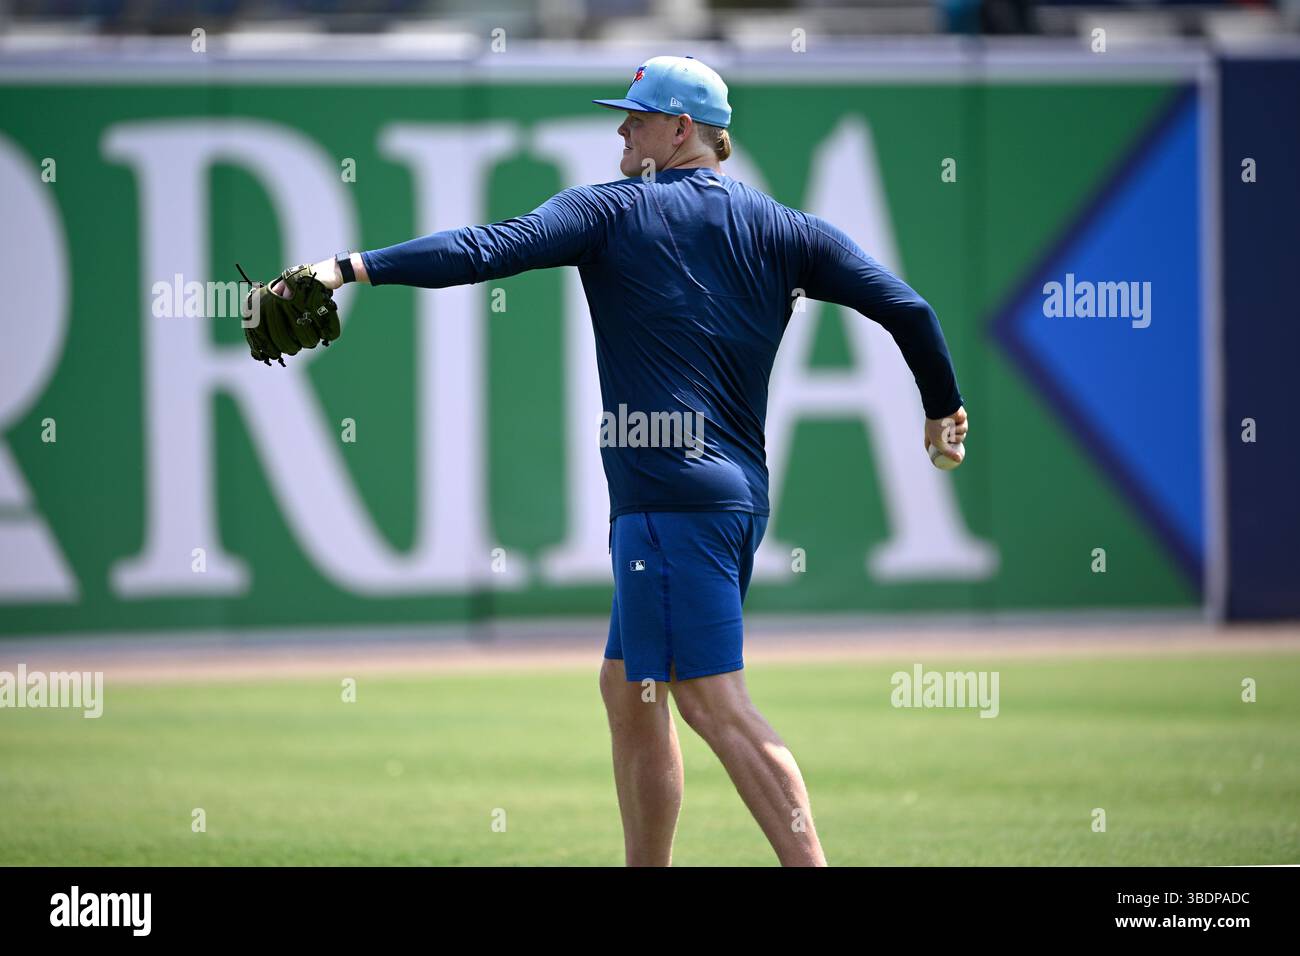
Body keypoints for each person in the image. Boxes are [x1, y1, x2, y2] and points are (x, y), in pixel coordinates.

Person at [288, 55, 968, 866]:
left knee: (714, 704)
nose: (621, 128)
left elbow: (482, 248)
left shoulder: (612, 212)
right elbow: (909, 308)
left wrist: (346, 268)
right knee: (628, 689)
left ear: (682, 131)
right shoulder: (788, 229)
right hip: (731, 496)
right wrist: (941, 409)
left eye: (637, 117)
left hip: (669, 497)